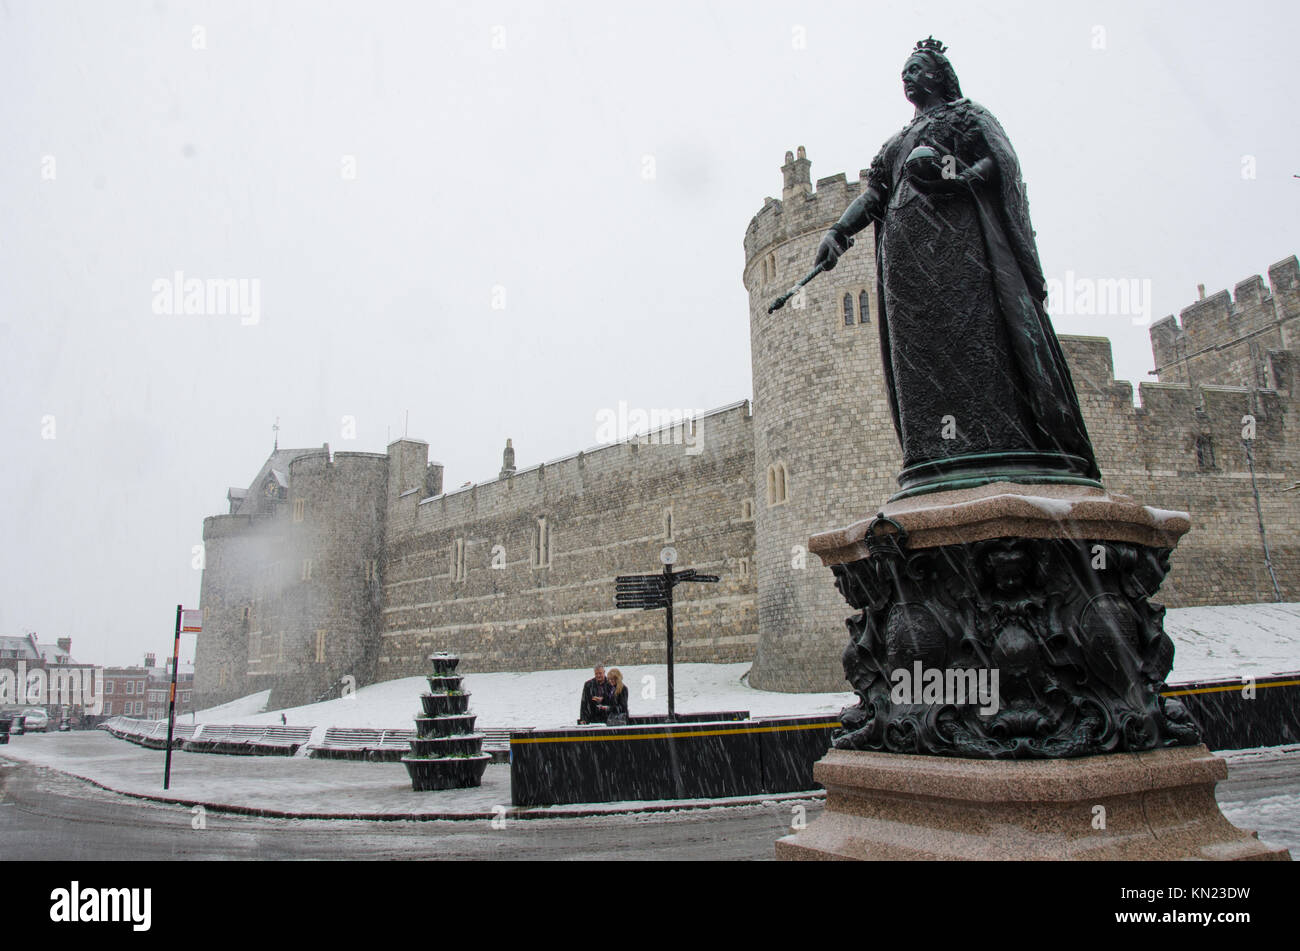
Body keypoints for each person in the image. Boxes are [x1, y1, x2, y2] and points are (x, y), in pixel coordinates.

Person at [813, 37, 1100, 495]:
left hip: (962, 248)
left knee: (977, 337)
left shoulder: (967, 116)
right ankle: (933, 449)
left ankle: (1000, 440)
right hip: (906, 263)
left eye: (917, 68)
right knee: (919, 355)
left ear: (940, 75)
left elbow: (999, 162)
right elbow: (874, 196)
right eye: (903, 70)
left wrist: (959, 177)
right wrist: (838, 232)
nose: (907, 77)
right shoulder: (894, 143)